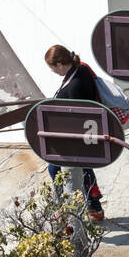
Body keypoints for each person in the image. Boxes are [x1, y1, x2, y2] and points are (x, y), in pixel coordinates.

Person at [44, 45, 106, 221]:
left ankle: (64, 209)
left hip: (77, 136)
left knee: (55, 168)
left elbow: (74, 116)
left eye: (52, 67)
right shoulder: (81, 69)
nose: (52, 71)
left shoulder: (74, 86)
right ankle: (94, 207)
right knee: (85, 168)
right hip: (87, 133)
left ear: (61, 63)